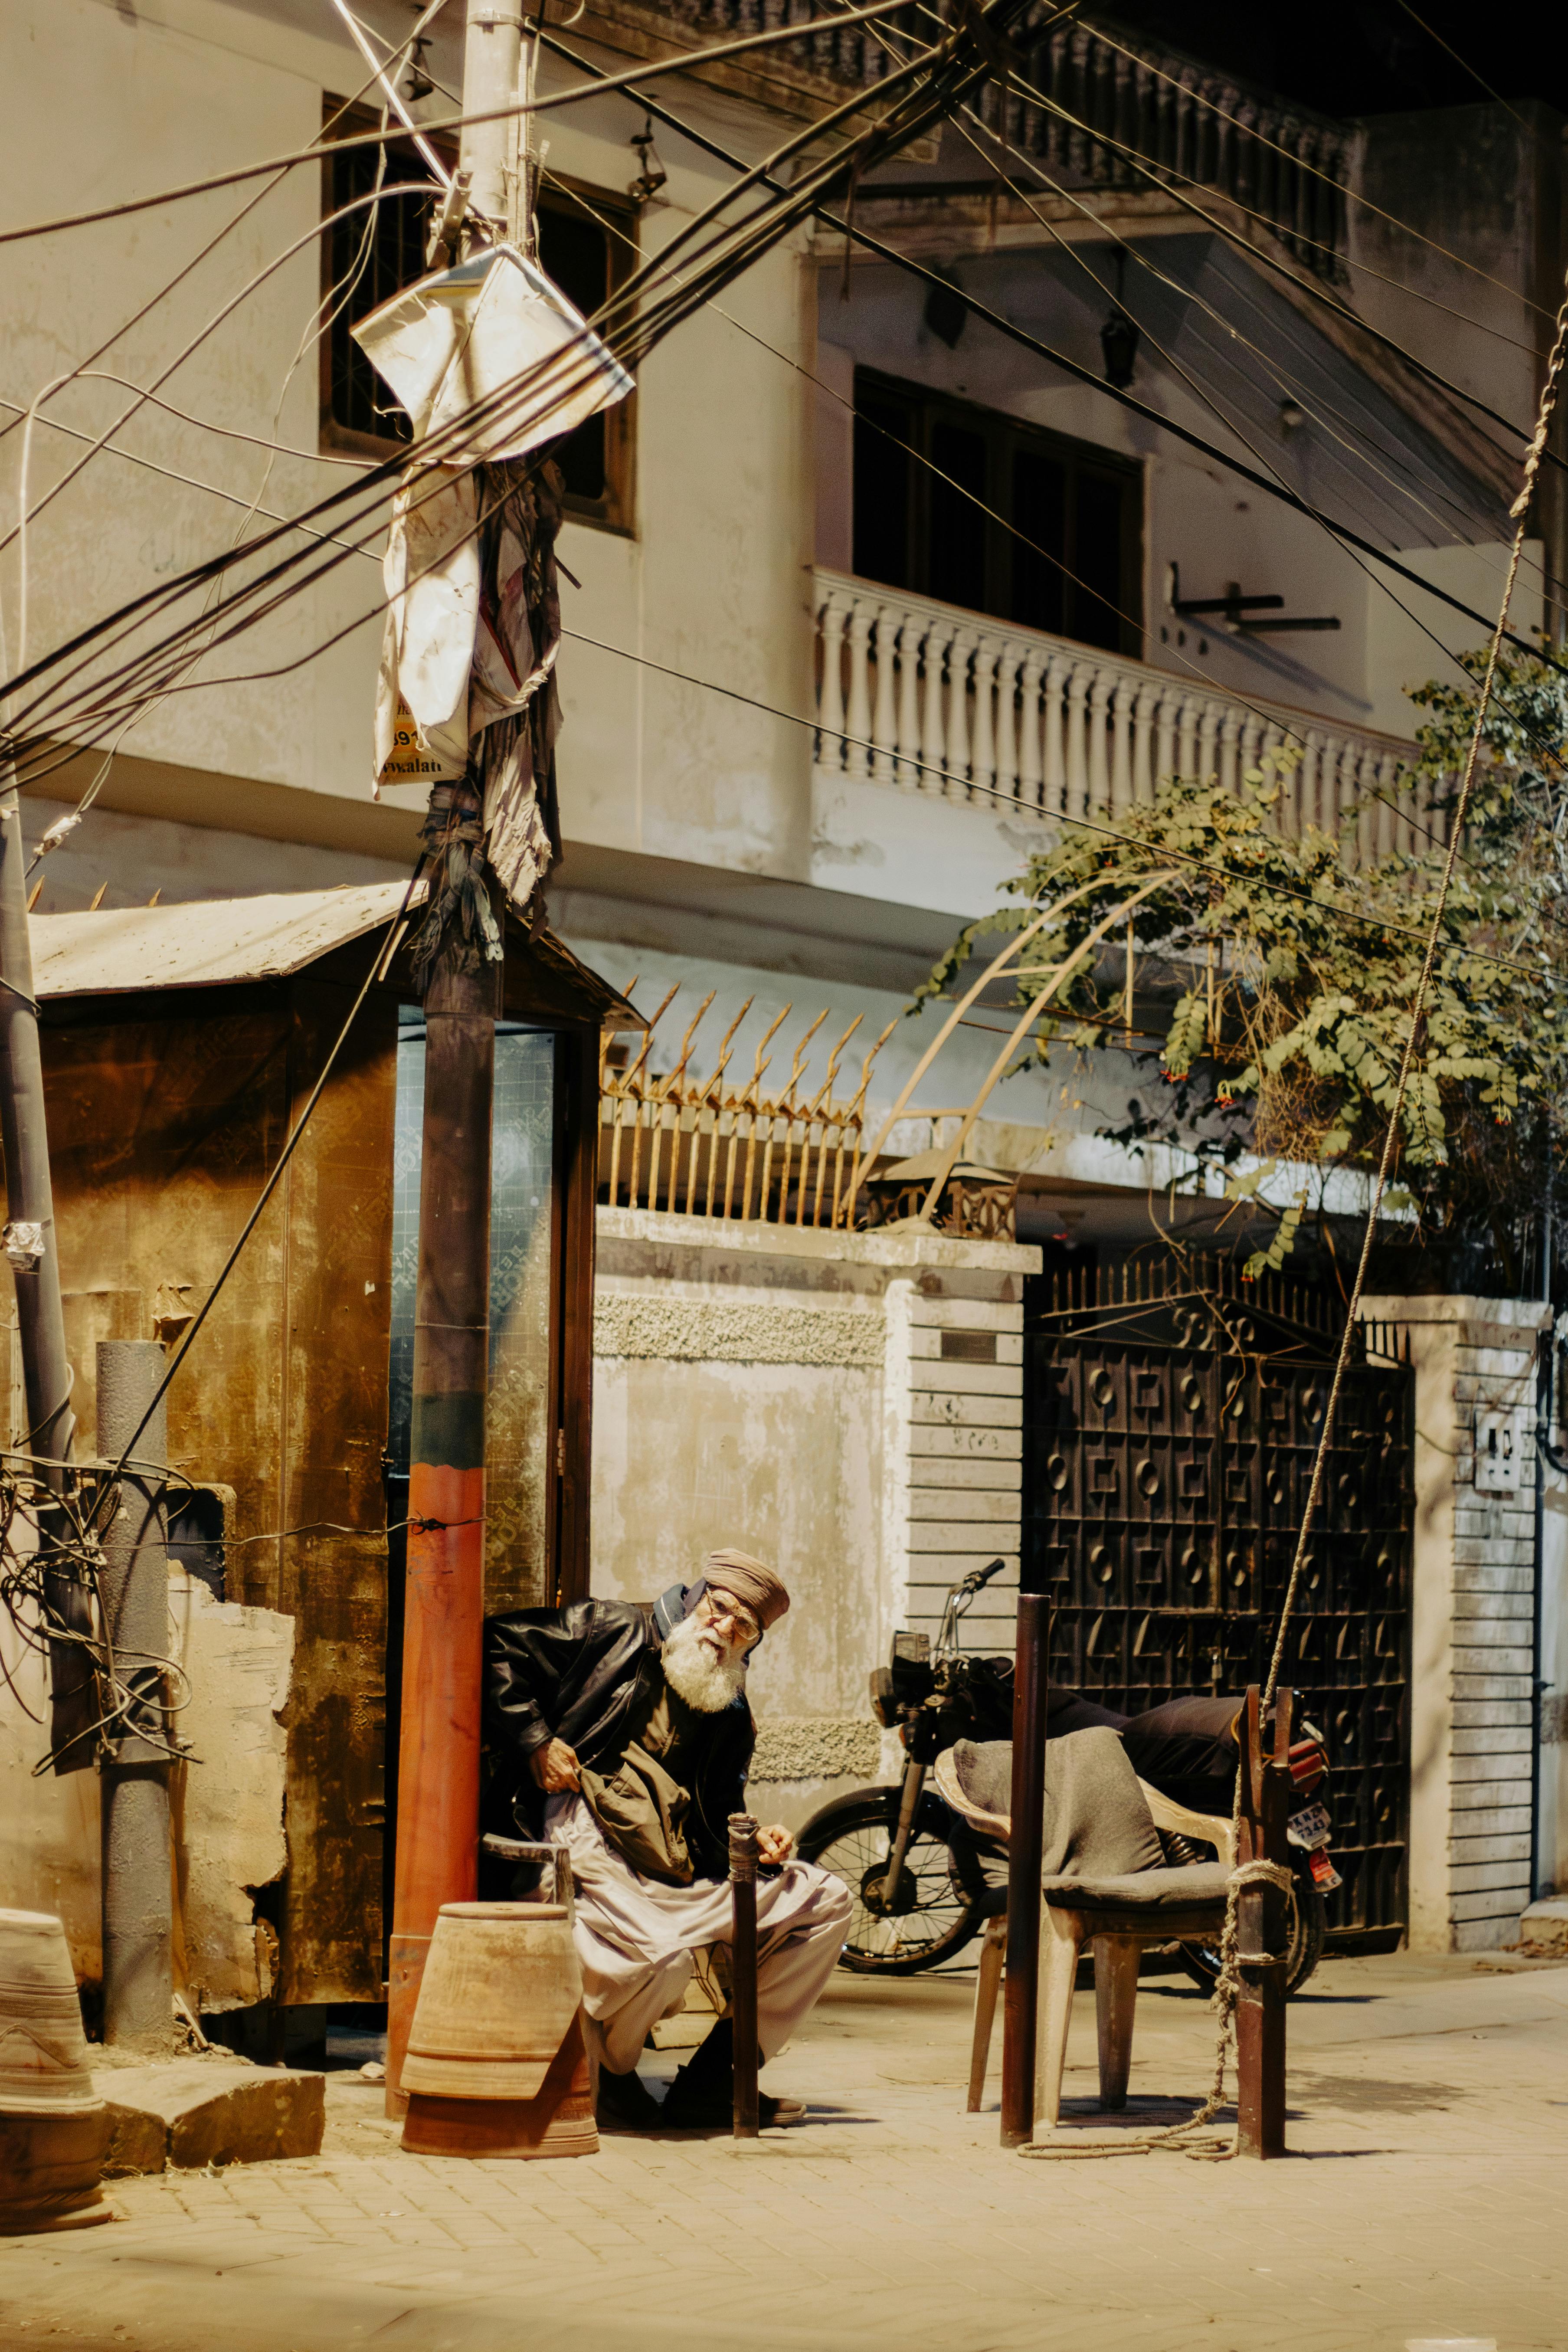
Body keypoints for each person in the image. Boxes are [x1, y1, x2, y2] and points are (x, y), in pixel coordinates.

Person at [484, 1549, 852, 2132]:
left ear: (752, 1641)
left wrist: (756, 1842)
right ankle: (613, 2075)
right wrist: (536, 1739)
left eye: (743, 1627)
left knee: (827, 1898)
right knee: (664, 1961)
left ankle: (717, 2081)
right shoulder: (613, 1629)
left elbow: (715, 1815)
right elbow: (498, 1641)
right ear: (697, 1597)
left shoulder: (730, 1708)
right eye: (720, 1607)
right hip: (586, 1840)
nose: (723, 1628)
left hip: (673, 1868)